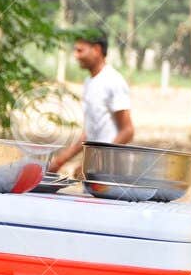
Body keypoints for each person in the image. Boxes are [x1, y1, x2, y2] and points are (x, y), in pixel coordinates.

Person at [48, 32, 134, 173]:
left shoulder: (113, 81)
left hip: (112, 173)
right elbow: (89, 133)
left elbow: (127, 131)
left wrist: (95, 163)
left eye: (80, 50)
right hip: (94, 173)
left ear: (97, 50)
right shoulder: (90, 82)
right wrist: (58, 162)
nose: (76, 55)